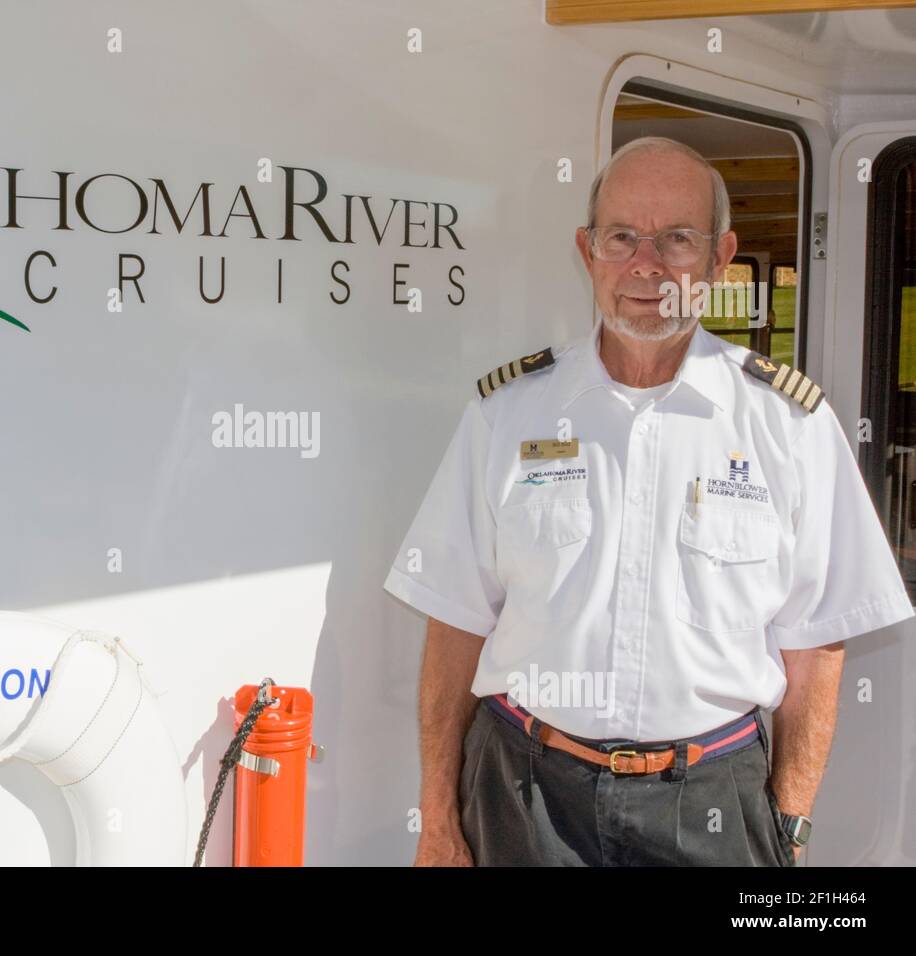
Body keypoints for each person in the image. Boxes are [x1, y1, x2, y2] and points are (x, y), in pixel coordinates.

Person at [383, 136, 914, 866]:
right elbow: (455, 621)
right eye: (623, 237)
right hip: (524, 797)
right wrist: (438, 817)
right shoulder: (508, 415)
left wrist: (788, 827)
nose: (647, 264)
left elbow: (818, 644)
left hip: (713, 802)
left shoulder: (790, 425)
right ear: (587, 250)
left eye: (677, 240)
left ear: (721, 257)